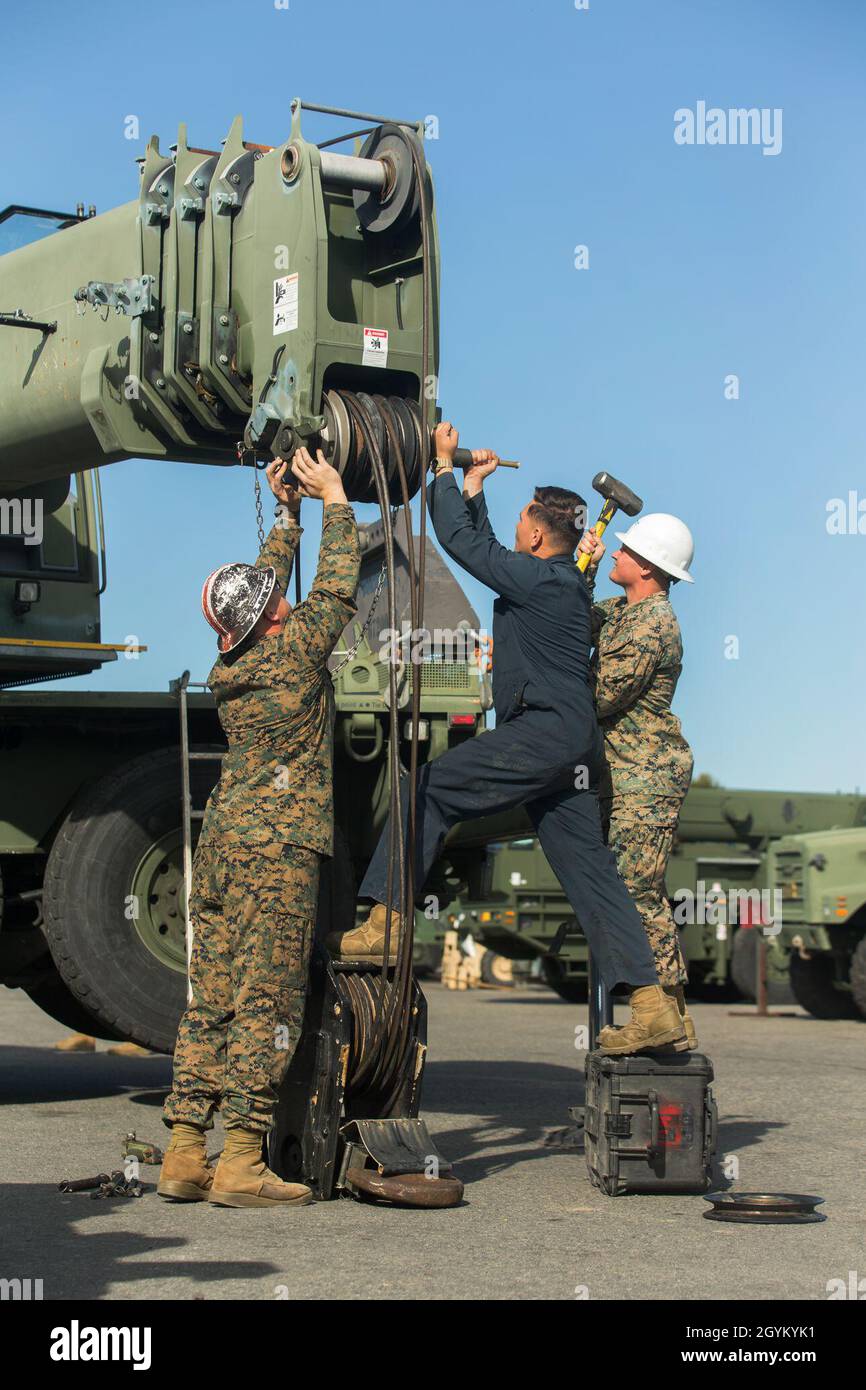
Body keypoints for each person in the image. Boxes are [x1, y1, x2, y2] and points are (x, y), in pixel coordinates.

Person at [327, 422, 686, 1055]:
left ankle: (386, 921)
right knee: (591, 873)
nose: (519, 531)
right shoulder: (557, 580)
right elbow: (487, 542)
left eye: (525, 522)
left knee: (428, 786)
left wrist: (440, 470)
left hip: (542, 735)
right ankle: (654, 1006)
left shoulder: (543, 579)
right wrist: (473, 485)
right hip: (571, 750)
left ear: (540, 534)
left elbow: (466, 547)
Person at [158, 449, 360, 1208]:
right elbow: (338, 586)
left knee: (209, 997)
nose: (281, 601)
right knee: (266, 1002)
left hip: (221, 843)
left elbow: (260, 593)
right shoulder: (297, 655)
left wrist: (285, 514)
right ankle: (241, 1158)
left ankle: (184, 1150)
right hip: (277, 850)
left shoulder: (234, 666)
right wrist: (334, 496)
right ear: (274, 619)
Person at [577, 513, 697, 1051]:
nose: (616, 555)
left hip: (645, 776)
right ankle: (672, 1014)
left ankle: (656, 1014)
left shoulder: (652, 625)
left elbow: (601, 696)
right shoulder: (627, 612)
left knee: (634, 892)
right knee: (641, 889)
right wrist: (581, 571)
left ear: (647, 567)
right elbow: (579, 620)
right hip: (629, 774)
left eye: (624, 551)